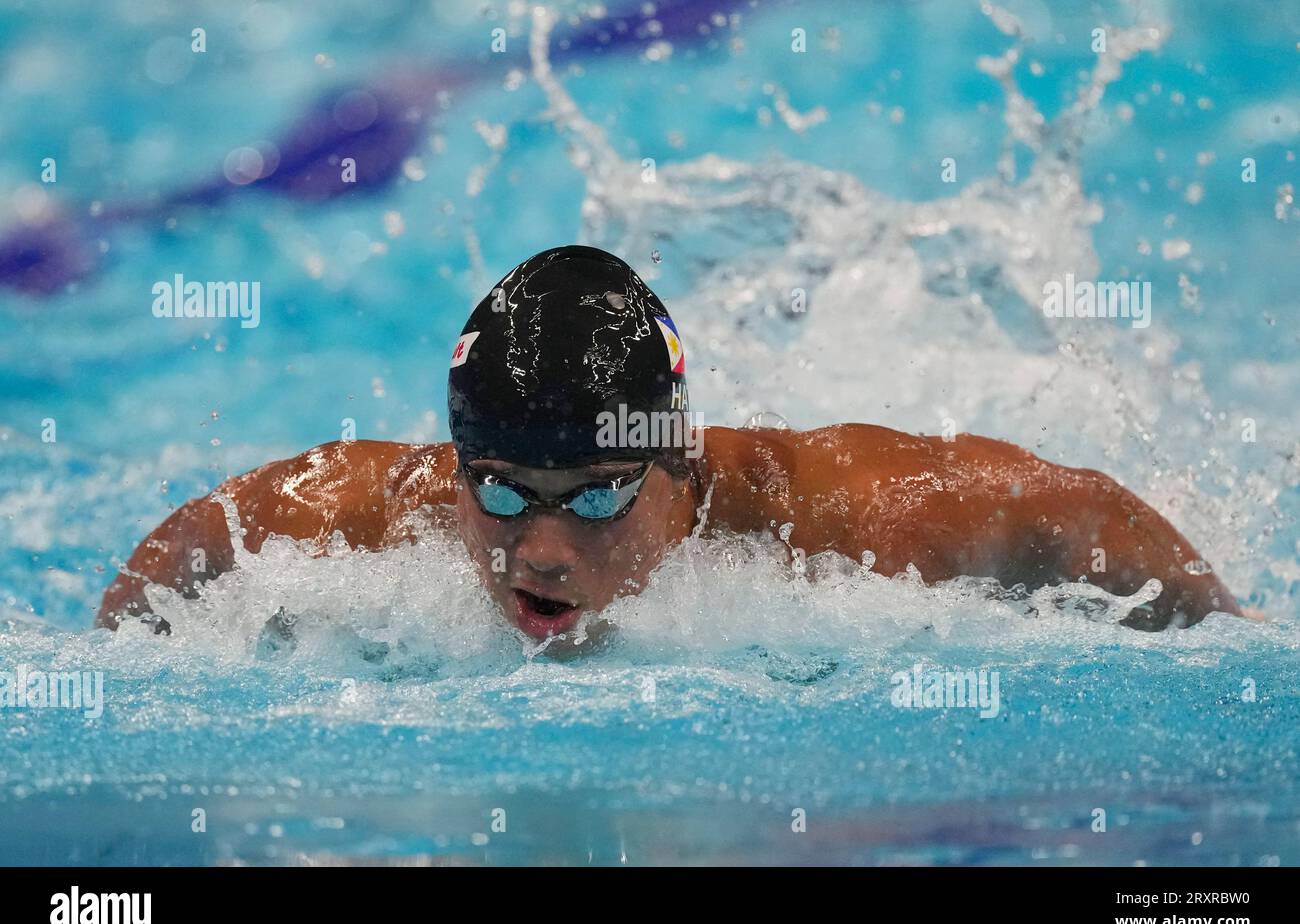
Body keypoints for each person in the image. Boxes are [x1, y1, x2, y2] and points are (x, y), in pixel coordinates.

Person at [96, 245, 1240, 643]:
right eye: (501, 494)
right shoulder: (340, 510)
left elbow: (1103, 532)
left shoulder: (874, 523)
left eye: (594, 500)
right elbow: (161, 586)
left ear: (679, 473)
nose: (536, 550)